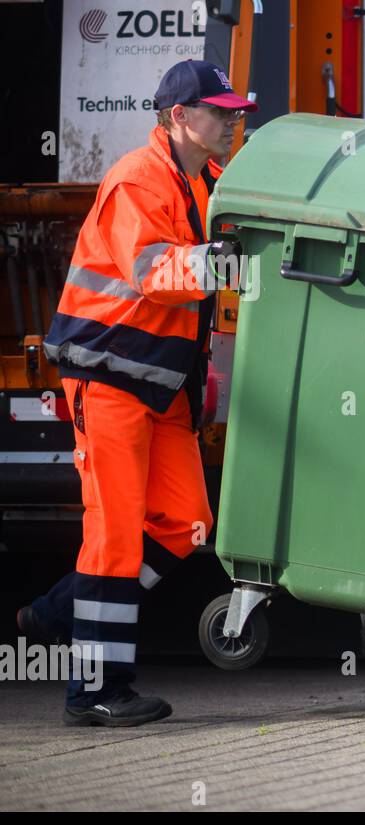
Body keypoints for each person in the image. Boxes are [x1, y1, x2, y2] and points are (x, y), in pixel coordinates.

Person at [16, 60, 255, 726]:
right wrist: (243, 262)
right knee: (114, 540)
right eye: (221, 111)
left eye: (237, 112)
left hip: (162, 390)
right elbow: (156, 273)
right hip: (111, 379)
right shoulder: (137, 180)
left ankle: (64, 611)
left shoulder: (204, 181)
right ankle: (93, 692)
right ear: (180, 116)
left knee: (187, 525)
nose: (234, 121)